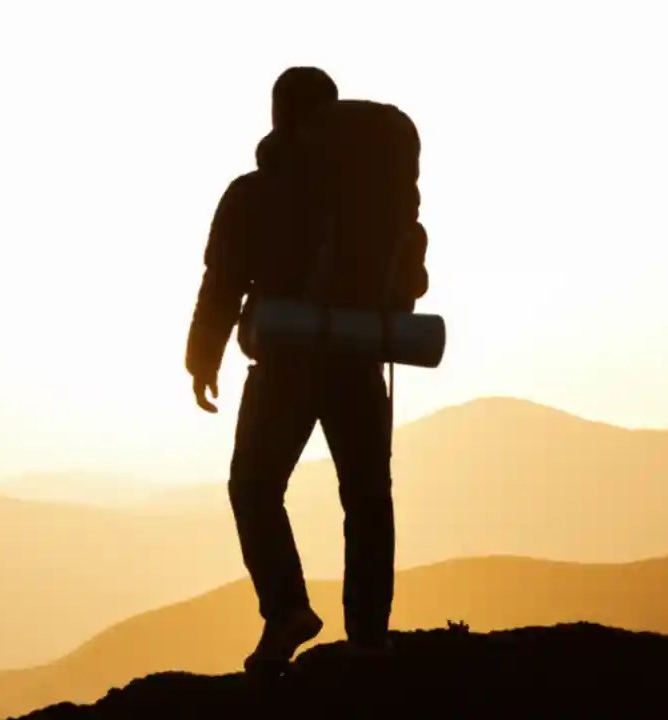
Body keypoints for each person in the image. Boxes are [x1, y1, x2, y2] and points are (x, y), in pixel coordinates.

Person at [184, 66, 429, 675]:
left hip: (286, 363)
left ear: (279, 115)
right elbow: (413, 278)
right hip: (357, 358)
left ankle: (287, 610)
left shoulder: (253, 193)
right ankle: (369, 635)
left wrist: (202, 357)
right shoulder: (375, 198)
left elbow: (222, 282)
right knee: (368, 497)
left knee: (254, 487)